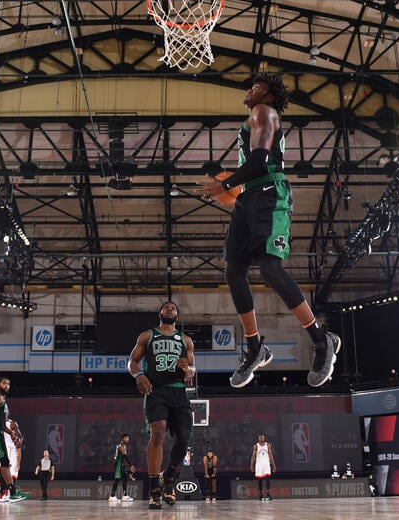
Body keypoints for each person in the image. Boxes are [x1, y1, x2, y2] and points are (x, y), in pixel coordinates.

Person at [196, 73, 341, 389]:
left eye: (258, 86)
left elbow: (261, 160)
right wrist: (232, 188)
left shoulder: (264, 112)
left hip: (269, 193)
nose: (250, 88)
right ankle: (254, 348)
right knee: (234, 272)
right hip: (249, 197)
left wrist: (224, 183)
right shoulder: (254, 118)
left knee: (270, 268)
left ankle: (321, 341)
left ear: (271, 96)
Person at [128, 301, 196, 509]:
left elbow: (192, 370)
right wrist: (139, 374)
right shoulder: (147, 336)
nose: (169, 309)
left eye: (173, 308)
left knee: (184, 440)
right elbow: (132, 362)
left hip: (178, 391)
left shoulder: (185, 340)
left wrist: (187, 369)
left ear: (177, 314)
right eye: (166, 307)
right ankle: (154, 490)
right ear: (160, 313)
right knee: (158, 432)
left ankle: (168, 477)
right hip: (156, 390)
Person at [108, 433, 136, 503]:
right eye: (126, 438)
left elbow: (124, 457)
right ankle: (112, 496)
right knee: (117, 479)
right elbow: (124, 456)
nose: (127, 439)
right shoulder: (121, 446)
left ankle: (125, 495)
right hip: (118, 464)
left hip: (121, 464)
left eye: (128, 438)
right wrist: (131, 465)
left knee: (125, 477)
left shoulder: (124, 446)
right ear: (122, 439)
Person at [252, 433, 276, 501]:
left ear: (264, 438)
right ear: (258, 438)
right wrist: (252, 465)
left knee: (267, 478)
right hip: (259, 464)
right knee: (260, 480)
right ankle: (261, 495)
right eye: (260, 437)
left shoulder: (267, 445)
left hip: (266, 464)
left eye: (262, 437)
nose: (261, 438)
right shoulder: (256, 446)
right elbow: (253, 456)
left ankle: (268, 494)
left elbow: (271, 455)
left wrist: (273, 465)